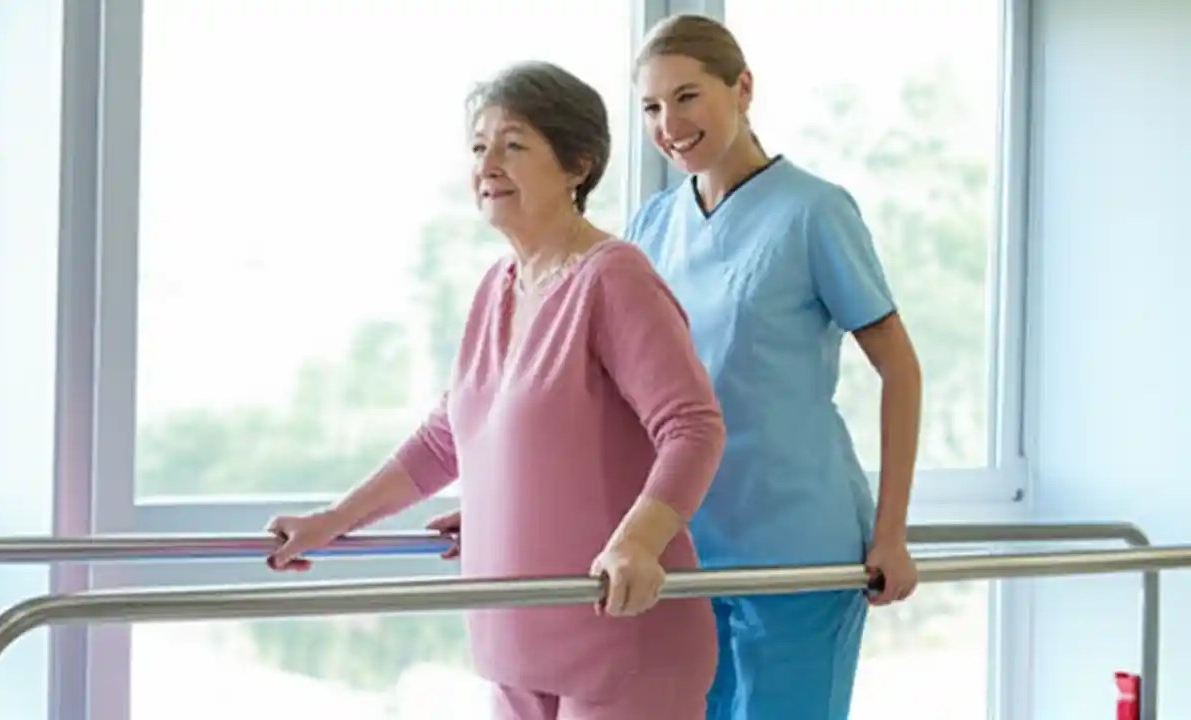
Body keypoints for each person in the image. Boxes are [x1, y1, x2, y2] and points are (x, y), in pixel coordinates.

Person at [429, 15, 925, 720]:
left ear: (743, 88)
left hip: (796, 544)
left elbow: (900, 370)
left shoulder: (815, 212)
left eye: (687, 96)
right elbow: (617, 396)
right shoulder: (651, 226)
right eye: (652, 108)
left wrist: (892, 532)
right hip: (676, 550)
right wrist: (513, 499)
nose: (670, 123)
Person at [264, 60, 726, 720]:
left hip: (623, 638)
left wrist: (637, 542)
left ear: (577, 166)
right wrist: (330, 522)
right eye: (479, 148)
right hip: (517, 644)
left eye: (513, 145)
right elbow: (443, 441)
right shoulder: (497, 286)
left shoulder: (613, 279)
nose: (487, 166)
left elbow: (693, 427)